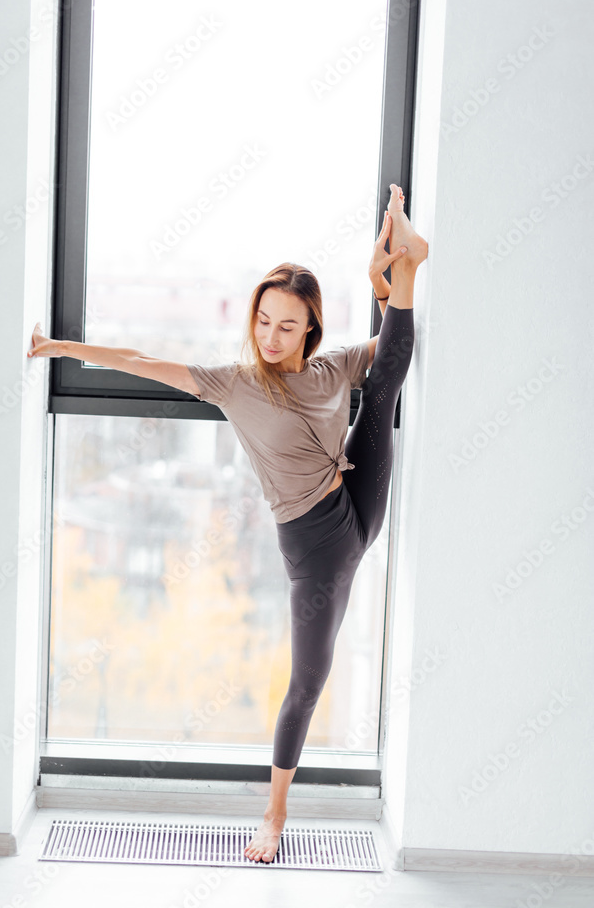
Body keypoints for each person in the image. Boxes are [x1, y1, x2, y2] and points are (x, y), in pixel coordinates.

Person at [28, 183, 428, 864]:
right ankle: (274, 816)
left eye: (287, 325)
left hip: (361, 497)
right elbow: (142, 362)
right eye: (264, 320)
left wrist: (382, 289)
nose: (271, 336)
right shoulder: (234, 383)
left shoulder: (334, 367)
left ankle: (408, 265)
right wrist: (60, 346)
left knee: (382, 385)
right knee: (307, 682)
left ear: (310, 328)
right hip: (318, 543)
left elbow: (388, 355)